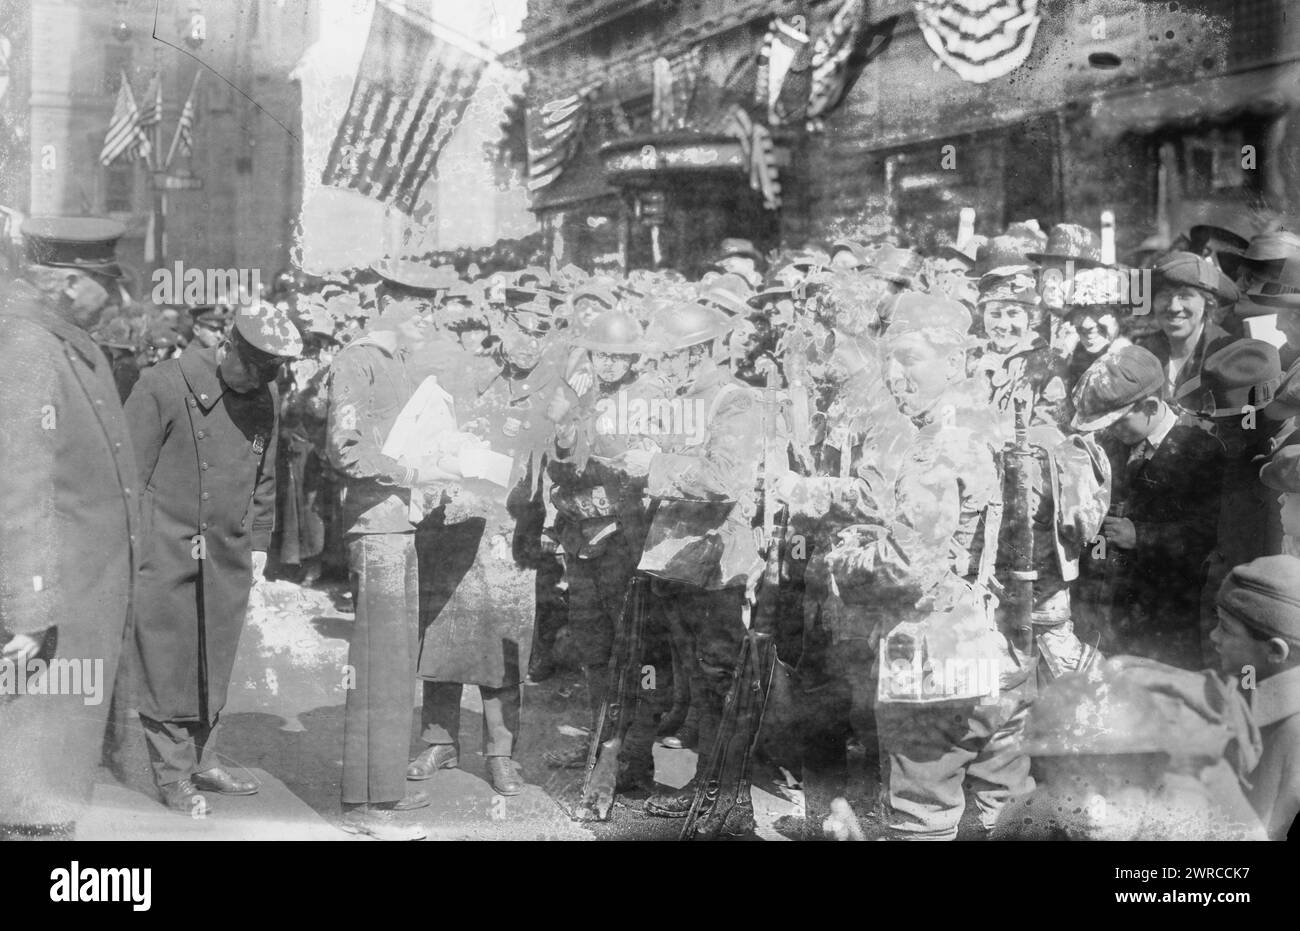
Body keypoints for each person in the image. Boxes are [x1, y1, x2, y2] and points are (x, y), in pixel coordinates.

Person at [824, 293, 1034, 840]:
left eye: (911, 359)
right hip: (997, 646)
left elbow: (906, 567)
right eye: (889, 360)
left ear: (955, 362)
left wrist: (845, 558)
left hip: (933, 654)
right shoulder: (987, 423)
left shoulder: (936, 446)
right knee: (1002, 809)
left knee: (923, 810)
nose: (895, 376)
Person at [125, 299, 301, 814]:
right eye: (247, 369)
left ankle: (204, 759)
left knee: (215, 653)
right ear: (225, 346)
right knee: (166, 659)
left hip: (228, 546)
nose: (253, 383)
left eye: (265, 374)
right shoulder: (162, 384)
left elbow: (264, 472)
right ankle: (173, 774)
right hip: (166, 543)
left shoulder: (264, 392)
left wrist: (262, 541)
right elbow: (129, 476)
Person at [0, 217, 139, 838]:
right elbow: (20, 485)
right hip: (52, 612)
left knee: (56, 767)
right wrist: (28, 612)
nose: (113, 301)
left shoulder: (63, 343)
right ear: (67, 283)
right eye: (105, 286)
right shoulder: (29, 346)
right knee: (33, 783)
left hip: (81, 601)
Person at [624, 302, 764, 821]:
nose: (662, 367)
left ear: (699, 352)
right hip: (675, 562)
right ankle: (710, 792)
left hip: (718, 563)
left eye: (671, 357)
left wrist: (655, 465)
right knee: (698, 680)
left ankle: (727, 799)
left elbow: (727, 477)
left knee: (720, 679)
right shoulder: (682, 399)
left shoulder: (735, 401)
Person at [327, 259, 445, 840]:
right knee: (375, 666)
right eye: (424, 308)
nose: (431, 318)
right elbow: (345, 448)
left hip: (400, 525)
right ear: (397, 305)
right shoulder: (356, 360)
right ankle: (364, 805)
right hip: (376, 528)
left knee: (396, 664)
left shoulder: (398, 364)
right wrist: (407, 468)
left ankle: (384, 786)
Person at [540, 308, 656, 791]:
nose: (609, 363)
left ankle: (632, 759)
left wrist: (584, 481)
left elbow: (639, 473)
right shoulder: (583, 391)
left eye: (619, 356)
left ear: (633, 359)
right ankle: (598, 743)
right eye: (602, 354)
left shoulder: (648, 397)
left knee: (636, 654)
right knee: (593, 648)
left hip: (624, 543)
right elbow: (558, 461)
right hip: (582, 541)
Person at [993, 656, 1266, 841]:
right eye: (1074, 786)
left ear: (1153, 776)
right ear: (1047, 778)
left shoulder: (1186, 824)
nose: (1091, 810)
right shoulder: (1023, 819)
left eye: (1113, 787)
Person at [1070, 345, 1222, 668]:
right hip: (1108, 612)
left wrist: (1142, 536)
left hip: (1164, 620)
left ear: (1151, 406)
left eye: (1118, 422)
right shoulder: (1113, 444)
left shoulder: (1201, 451)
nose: (1110, 430)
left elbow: (1209, 533)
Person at [1212, 555, 1300, 840]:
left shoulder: (1292, 734)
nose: (1213, 636)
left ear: (1275, 651)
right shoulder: (1252, 685)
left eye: (1225, 628)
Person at [1138, 251, 1238, 406]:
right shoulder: (1143, 353)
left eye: (1184, 296)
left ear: (1208, 303)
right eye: (1164, 295)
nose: (1173, 307)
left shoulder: (1228, 354)